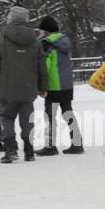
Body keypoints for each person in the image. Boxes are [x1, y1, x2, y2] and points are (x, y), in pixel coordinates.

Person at [0, 6, 47, 164]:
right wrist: (43, 87)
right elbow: (41, 66)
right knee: (27, 118)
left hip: (6, 87)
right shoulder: (35, 41)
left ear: (10, 19)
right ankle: (29, 150)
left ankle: (11, 149)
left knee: (6, 117)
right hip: (28, 87)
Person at [36, 16, 82, 155]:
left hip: (53, 85)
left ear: (45, 31)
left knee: (50, 116)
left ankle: (50, 146)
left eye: (40, 30)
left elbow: (46, 67)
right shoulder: (64, 41)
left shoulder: (46, 44)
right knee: (68, 112)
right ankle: (77, 143)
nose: (39, 33)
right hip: (67, 84)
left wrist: (41, 85)